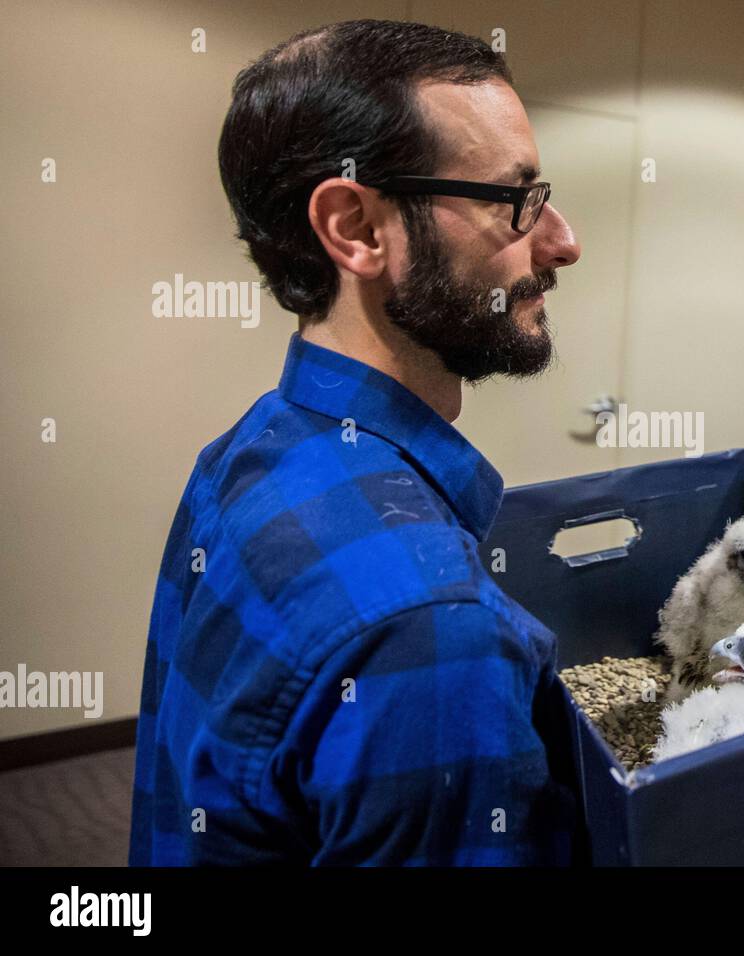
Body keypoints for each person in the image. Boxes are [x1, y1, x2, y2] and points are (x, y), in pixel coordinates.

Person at [129, 19, 583, 865]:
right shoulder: (433, 630)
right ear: (358, 229)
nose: (562, 241)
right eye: (517, 201)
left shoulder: (246, 451)